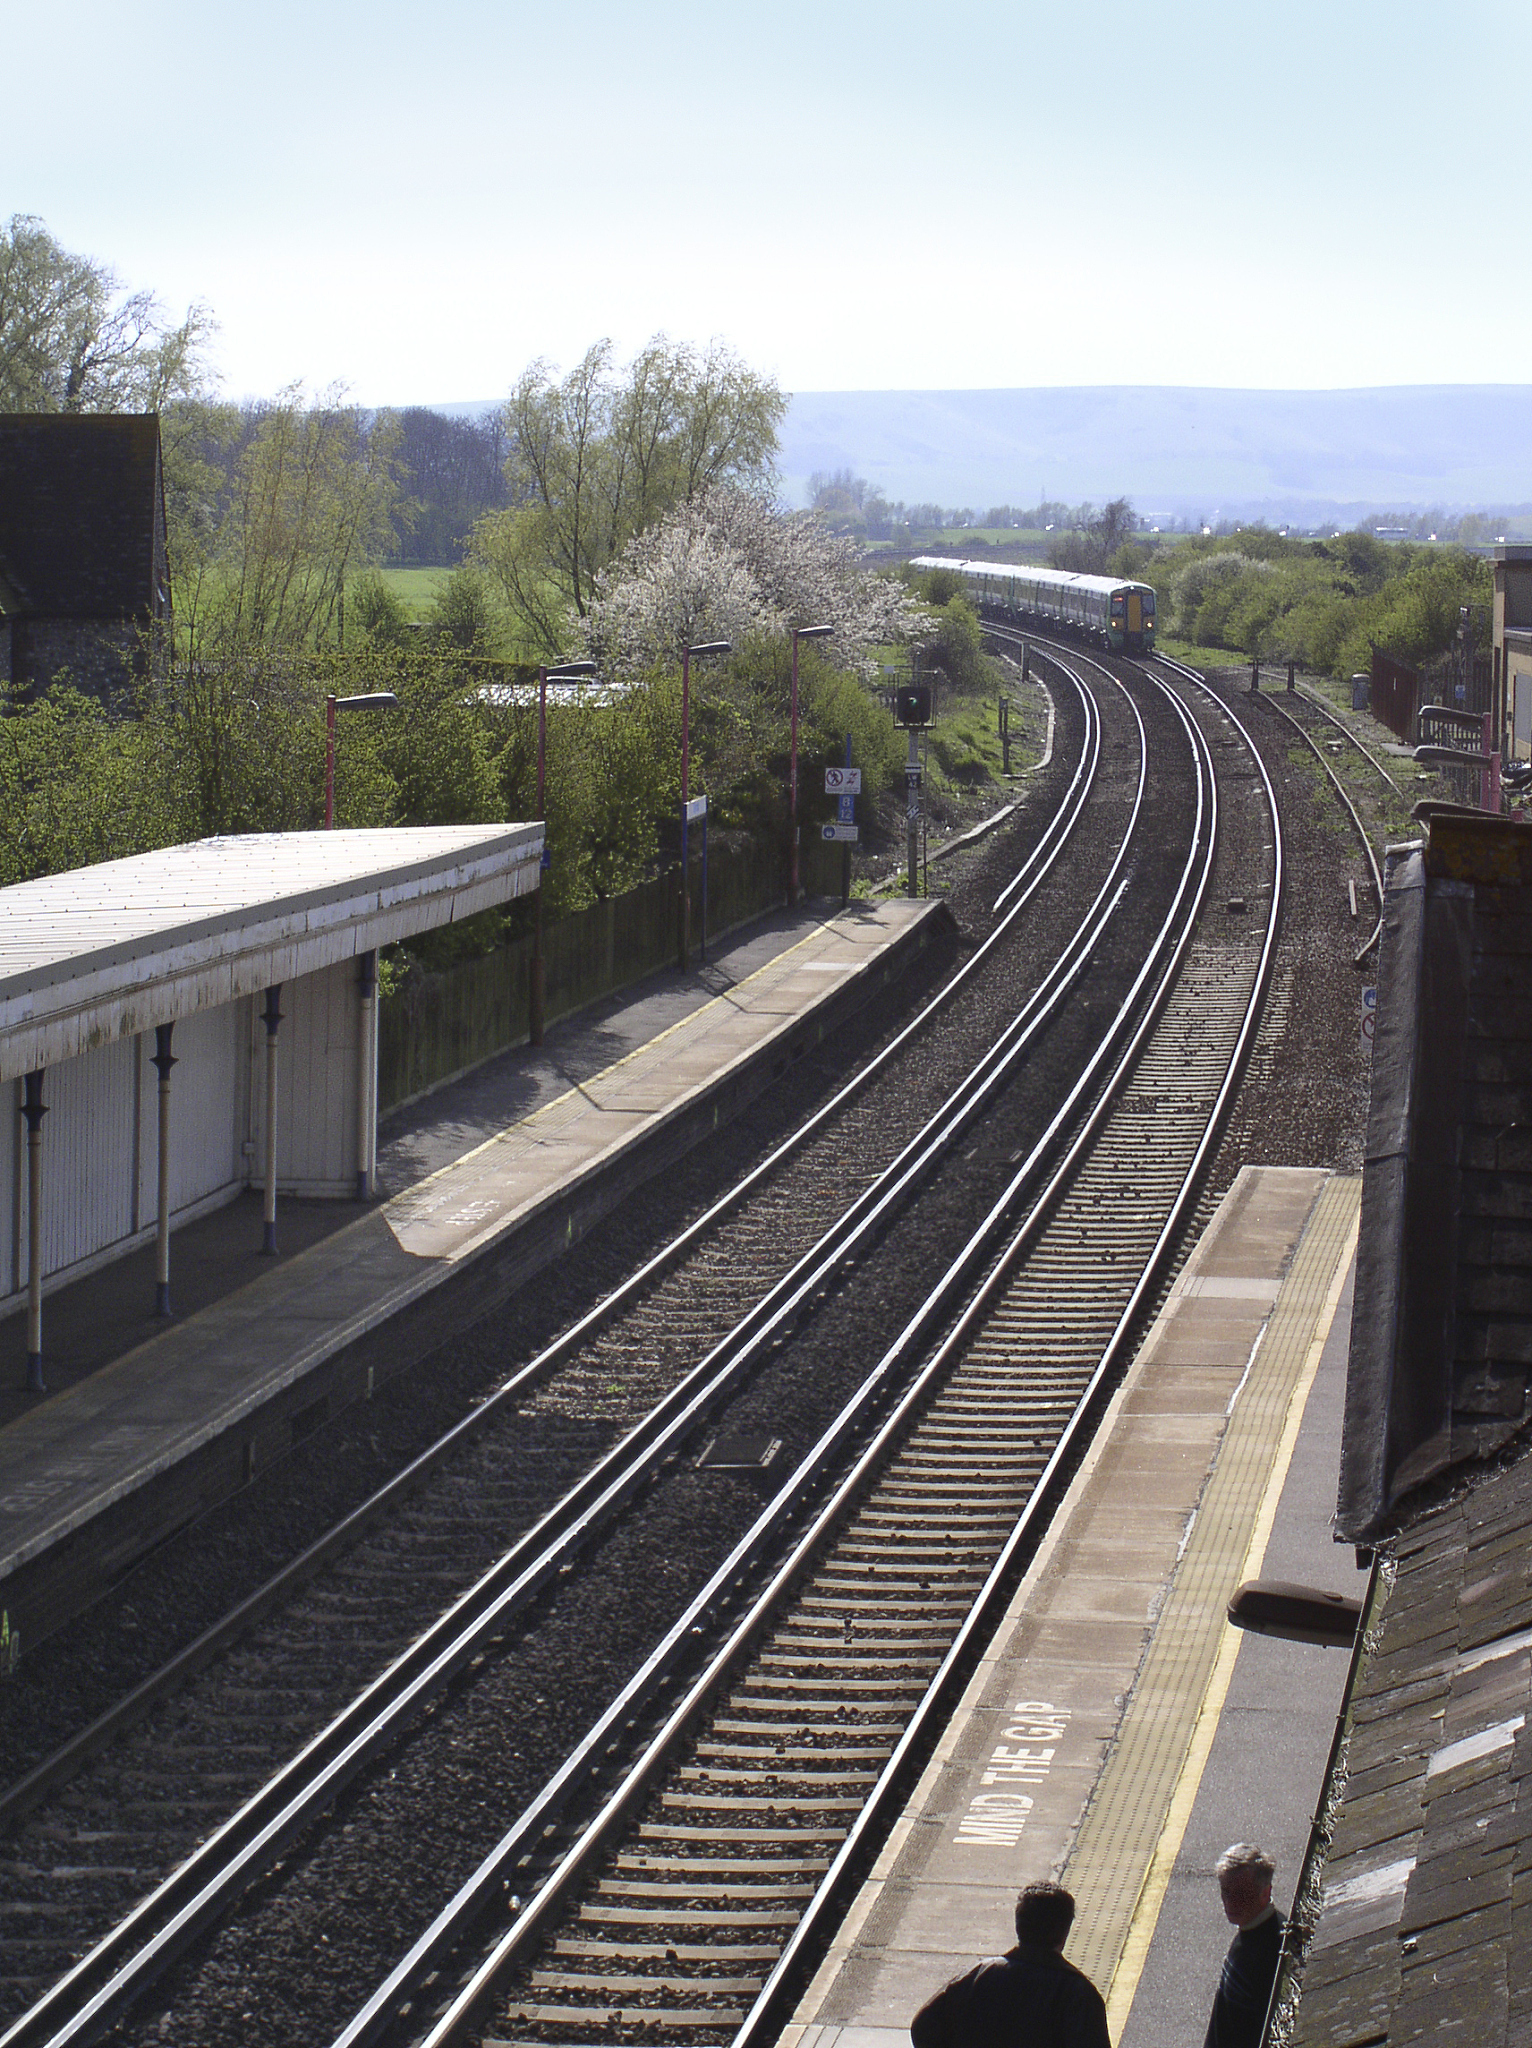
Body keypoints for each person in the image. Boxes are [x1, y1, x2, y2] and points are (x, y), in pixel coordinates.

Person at [910, 1880, 1110, 2048]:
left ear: (1018, 1926)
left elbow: (923, 2027)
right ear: (1064, 1932)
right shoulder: (1079, 1994)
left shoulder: (981, 1974)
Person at [1204, 1842, 1284, 2048]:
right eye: (1225, 1892)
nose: (1229, 1902)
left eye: (1240, 1894)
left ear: (1265, 1893)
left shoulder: (1271, 1950)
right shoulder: (1251, 1933)